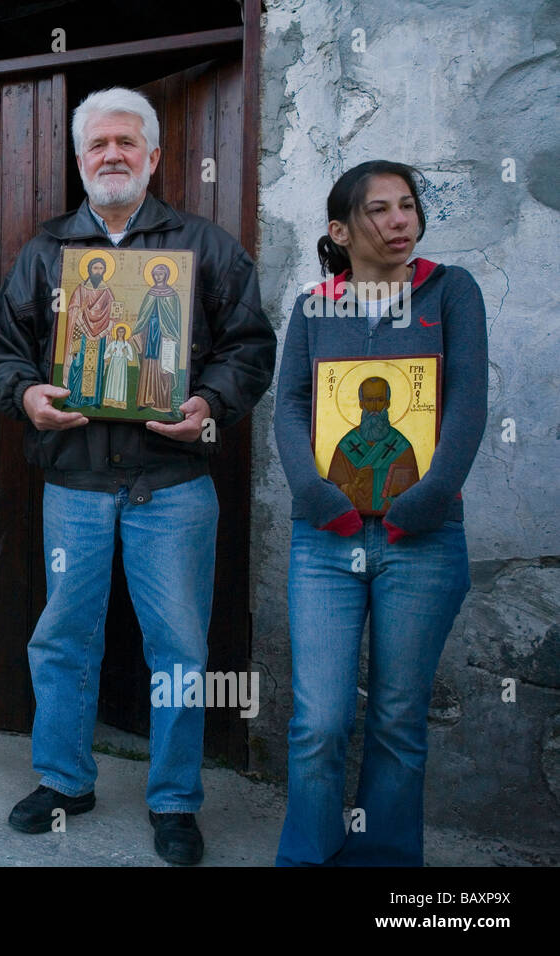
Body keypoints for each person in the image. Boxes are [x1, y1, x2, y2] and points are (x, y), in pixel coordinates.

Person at [0, 87, 276, 863]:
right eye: (97, 145)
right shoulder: (47, 253)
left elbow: (250, 346)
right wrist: (25, 393)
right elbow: (0, 348)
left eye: (125, 142)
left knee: (178, 645)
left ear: (153, 157)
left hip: (171, 485)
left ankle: (175, 799)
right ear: (81, 162)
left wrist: (209, 399)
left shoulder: (205, 248)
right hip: (74, 485)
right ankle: (65, 779)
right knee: (63, 638)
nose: (112, 155)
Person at [273, 160, 486, 866]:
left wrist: (425, 498)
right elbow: (294, 406)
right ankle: (308, 854)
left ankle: (385, 865)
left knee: (397, 718)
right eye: (380, 211)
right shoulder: (314, 307)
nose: (401, 221)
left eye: (408, 207)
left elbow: (464, 403)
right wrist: (316, 493)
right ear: (341, 230)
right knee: (320, 721)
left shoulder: (451, 292)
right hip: (326, 539)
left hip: (422, 541)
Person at [325, 376, 419, 512]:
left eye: (380, 400)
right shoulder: (346, 445)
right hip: (352, 520)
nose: (374, 407)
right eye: (369, 400)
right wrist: (356, 483)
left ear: (387, 403)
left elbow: (413, 492)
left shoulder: (402, 446)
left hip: (393, 521)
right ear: (361, 404)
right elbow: (332, 492)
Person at [131, 261, 185, 414]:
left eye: (160, 274)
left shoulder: (172, 296)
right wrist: (137, 331)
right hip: (148, 336)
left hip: (165, 337)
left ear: (166, 275)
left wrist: (170, 334)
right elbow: (143, 316)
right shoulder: (150, 293)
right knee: (148, 368)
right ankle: (145, 400)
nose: (158, 276)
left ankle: (164, 404)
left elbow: (174, 320)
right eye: (155, 274)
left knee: (164, 369)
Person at [64, 256, 114, 408]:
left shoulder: (107, 292)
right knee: (78, 363)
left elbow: (113, 312)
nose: (98, 271)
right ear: (89, 270)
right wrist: (80, 310)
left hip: (99, 337)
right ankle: (73, 399)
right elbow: (72, 309)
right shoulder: (80, 289)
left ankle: (93, 401)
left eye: (101, 268)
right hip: (81, 331)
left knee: (95, 367)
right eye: (95, 268)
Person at [101, 323, 134, 410]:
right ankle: (109, 401)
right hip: (114, 363)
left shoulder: (127, 345)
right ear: (116, 333)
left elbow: (131, 358)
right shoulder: (112, 344)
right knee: (112, 381)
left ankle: (120, 402)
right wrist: (112, 352)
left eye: (122, 332)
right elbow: (105, 355)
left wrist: (125, 353)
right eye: (119, 332)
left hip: (122, 364)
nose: (120, 333)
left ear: (125, 333)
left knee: (121, 382)